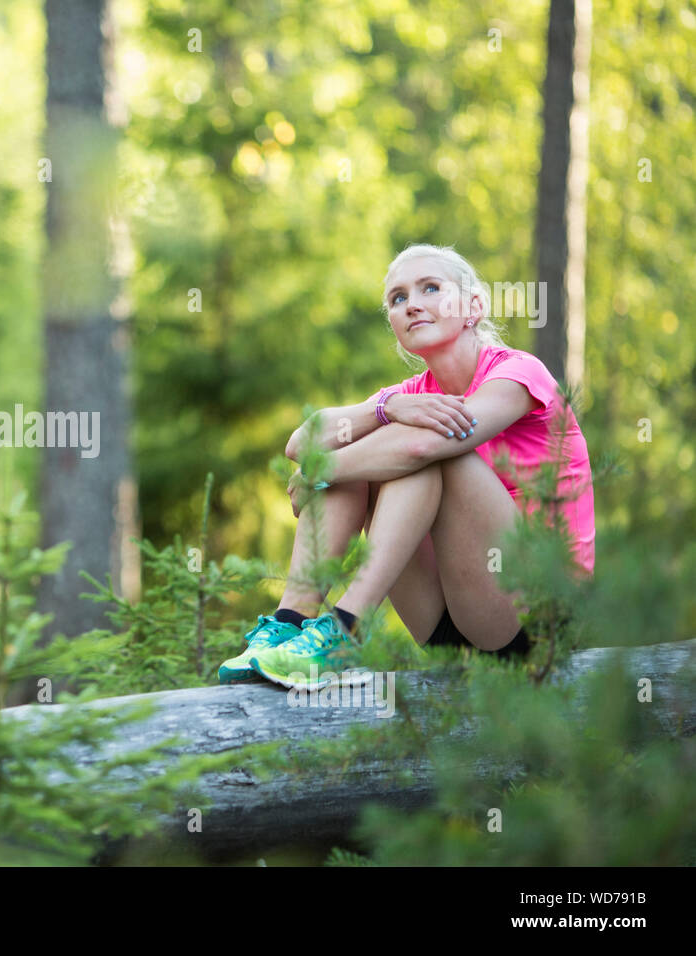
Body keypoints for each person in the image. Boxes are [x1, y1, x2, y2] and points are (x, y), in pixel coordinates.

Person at [219, 243, 595, 690]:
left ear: (473, 306)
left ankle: (345, 629)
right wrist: (386, 407)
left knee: (434, 453)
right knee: (375, 444)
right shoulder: (413, 394)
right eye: (398, 298)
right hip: (446, 625)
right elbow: (301, 441)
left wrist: (325, 469)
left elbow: (418, 449)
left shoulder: (519, 375)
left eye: (430, 288)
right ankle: (289, 622)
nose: (411, 304)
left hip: (535, 622)